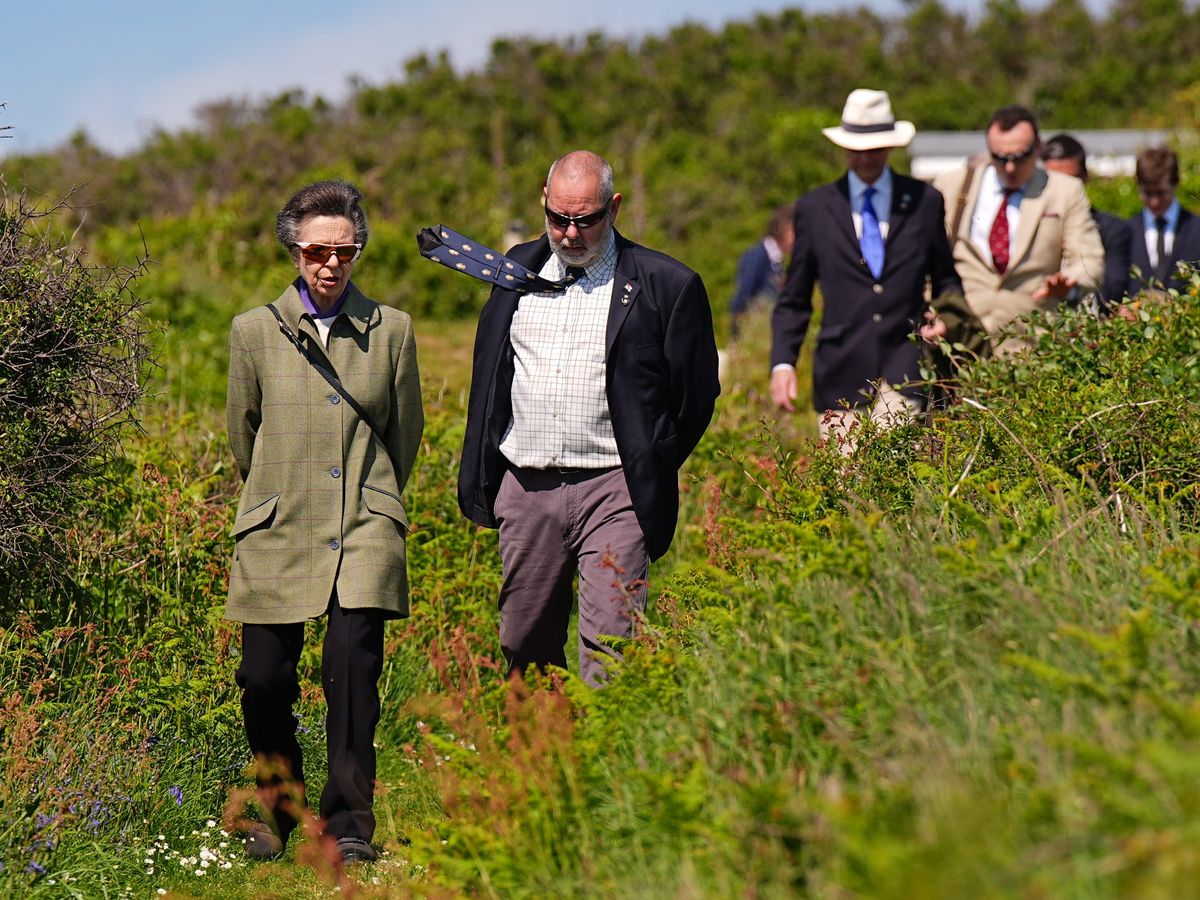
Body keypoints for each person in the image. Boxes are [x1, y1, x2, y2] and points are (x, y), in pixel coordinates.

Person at [458, 150, 719, 687]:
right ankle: (541, 761)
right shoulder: (514, 271)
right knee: (524, 643)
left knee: (612, 649)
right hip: (527, 487)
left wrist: (651, 458)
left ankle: (605, 766)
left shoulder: (666, 284)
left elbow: (696, 395)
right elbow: (490, 377)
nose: (570, 233)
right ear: (543, 202)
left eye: (586, 219)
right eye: (559, 218)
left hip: (615, 489)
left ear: (614, 207)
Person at [225, 179, 424, 864]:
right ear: (294, 250)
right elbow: (243, 436)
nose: (332, 264)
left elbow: (405, 435)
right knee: (263, 676)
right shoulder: (253, 332)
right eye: (317, 251)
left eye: (346, 251)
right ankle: (282, 811)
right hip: (278, 524)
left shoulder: (392, 331)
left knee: (351, 669)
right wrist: (280, 492)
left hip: (364, 523)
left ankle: (347, 824)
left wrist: (377, 502)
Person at [769, 88, 961, 447]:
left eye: (875, 149)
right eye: (858, 150)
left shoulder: (924, 202)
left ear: (890, 146)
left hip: (907, 368)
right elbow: (795, 298)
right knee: (846, 489)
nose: (866, 158)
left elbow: (947, 278)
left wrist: (947, 316)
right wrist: (783, 363)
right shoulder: (815, 208)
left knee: (896, 475)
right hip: (840, 373)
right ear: (844, 148)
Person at [933, 105, 1104, 353]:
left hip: (1034, 350)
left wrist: (1070, 283)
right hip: (962, 344)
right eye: (1000, 158)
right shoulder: (953, 185)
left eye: (1020, 157)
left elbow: (1090, 261)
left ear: (1038, 148)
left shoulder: (1064, 191)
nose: (1010, 168)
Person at [1041, 133, 1133, 311]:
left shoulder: (1114, 230)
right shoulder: (1022, 225)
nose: (1063, 191)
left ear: (1085, 178)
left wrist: (1071, 291)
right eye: (1053, 181)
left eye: (1070, 181)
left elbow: (1113, 291)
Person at [1127, 146, 1200, 296]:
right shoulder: (1126, 231)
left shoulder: (1196, 229)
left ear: (1176, 184)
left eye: (1161, 193)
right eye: (1147, 193)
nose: (1154, 202)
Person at [729, 204, 795, 339]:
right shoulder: (757, 256)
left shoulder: (777, 261)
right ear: (784, 228)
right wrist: (736, 335)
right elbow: (743, 295)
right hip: (751, 333)